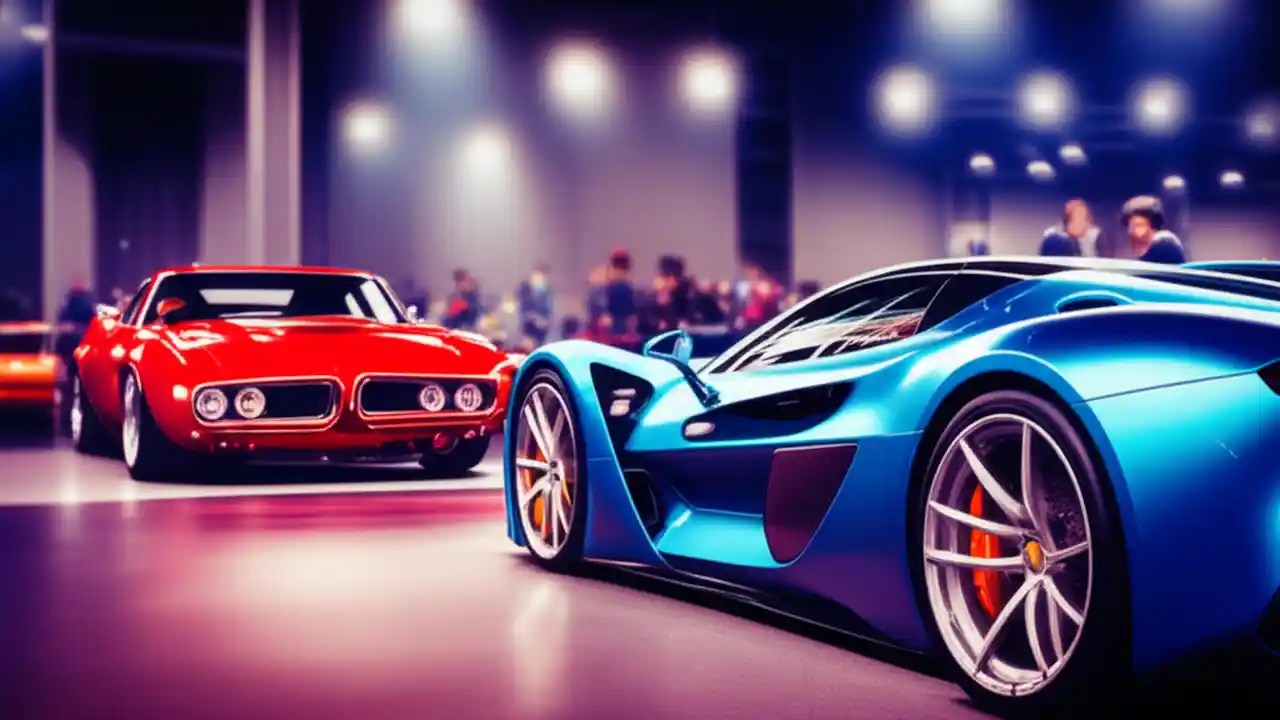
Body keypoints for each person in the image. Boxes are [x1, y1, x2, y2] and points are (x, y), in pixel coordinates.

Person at [1121, 195, 1185, 264]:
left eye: (1138, 225)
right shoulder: (1148, 250)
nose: (1131, 231)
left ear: (1153, 224)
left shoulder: (1165, 241)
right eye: (1130, 226)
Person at [516, 265, 553, 347]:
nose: (539, 280)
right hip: (528, 330)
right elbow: (522, 311)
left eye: (542, 278)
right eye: (537, 276)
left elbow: (549, 311)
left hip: (542, 332)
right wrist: (534, 318)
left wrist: (545, 321)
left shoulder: (547, 293)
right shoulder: (525, 291)